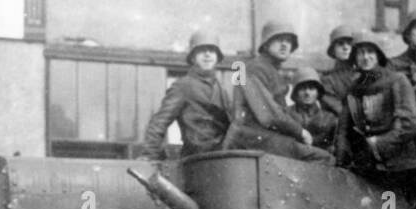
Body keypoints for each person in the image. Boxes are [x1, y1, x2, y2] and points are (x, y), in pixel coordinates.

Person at [220, 20, 333, 163]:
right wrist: (300, 131)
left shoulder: (270, 69)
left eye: (289, 41)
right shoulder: (254, 68)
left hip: (262, 139)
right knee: (324, 159)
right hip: (252, 139)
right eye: (279, 40)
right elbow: (269, 114)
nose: (285, 45)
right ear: (266, 44)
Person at [334, 29, 416, 182]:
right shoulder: (354, 89)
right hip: (368, 166)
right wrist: (341, 160)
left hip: (398, 165)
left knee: (390, 205)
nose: (365, 57)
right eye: (360, 53)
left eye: (370, 52)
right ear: (354, 58)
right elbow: (343, 129)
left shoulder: (397, 80)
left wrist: (378, 143)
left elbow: (410, 124)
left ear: (378, 55)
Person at [139, 30, 230, 160]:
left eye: (212, 50)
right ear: (192, 57)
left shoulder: (223, 90)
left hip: (222, 159)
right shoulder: (182, 86)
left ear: (217, 57)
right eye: (201, 50)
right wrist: (149, 155)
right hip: (195, 160)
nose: (207, 54)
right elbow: (159, 122)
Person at [286, 68, 338, 152]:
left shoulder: (330, 119)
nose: (307, 93)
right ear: (295, 92)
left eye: (311, 89)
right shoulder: (285, 114)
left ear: (318, 92)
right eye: (302, 89)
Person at [319, 24, 358, 116]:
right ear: (333, 50)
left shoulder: (361, 75)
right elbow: (337, 107)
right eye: (341, 44)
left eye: (349, 44)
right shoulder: (327, 80)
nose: (346, 47)